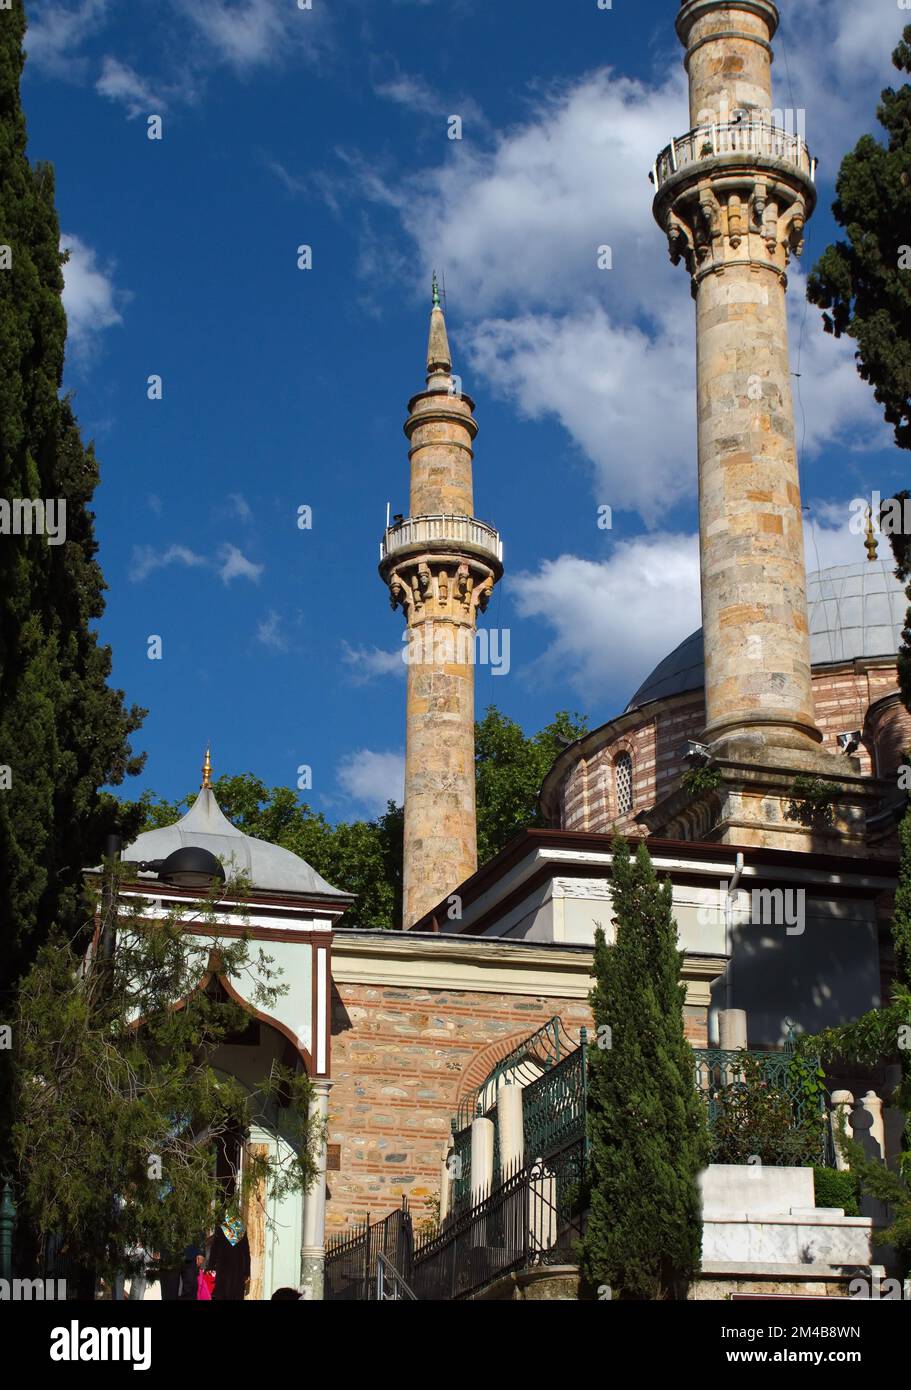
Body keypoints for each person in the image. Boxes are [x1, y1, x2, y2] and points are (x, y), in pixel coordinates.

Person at [207, 1213, 250, 1301]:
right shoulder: (239, 1228)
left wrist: (211, 1265)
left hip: (224, 1269)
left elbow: (215, 1248)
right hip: (237, 1270)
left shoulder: (221, 1227)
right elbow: (246, 1251)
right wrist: (247, 1272)